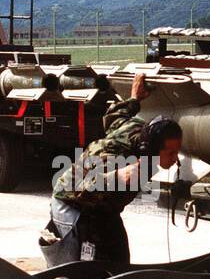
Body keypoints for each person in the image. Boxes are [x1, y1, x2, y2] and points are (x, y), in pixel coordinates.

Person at [40, 73, 183, 267]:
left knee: (118, 259)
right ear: (152, 150)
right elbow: (85, 187)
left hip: (103, 209)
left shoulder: (138, 132)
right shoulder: (115, 159)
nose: (175, 159)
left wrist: (134, 98)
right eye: (171, 153)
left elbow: (114, 117)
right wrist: (117, 176)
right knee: (87, 269)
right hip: (73, 205)